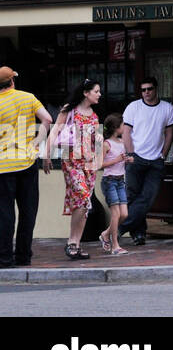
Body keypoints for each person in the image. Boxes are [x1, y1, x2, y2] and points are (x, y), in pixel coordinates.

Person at [0, 67, 52, 269]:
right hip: (26, 162)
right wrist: (37, 142)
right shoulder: (28, 98)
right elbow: (47, 119)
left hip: (3, 166)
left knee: (4, 213)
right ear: (12, 81)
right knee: (28, 211)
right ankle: (23, 257)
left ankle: (4, 258)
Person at [47, 79, 103, 260]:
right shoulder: (69, 110)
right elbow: (55, 130)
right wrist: (47, 154)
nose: (99, 94)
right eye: (96, 91)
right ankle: (72, 242)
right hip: (71, 162)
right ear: (86, 93)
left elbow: (96, 141)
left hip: (89, 164)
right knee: (83, 196)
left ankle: (75, 244)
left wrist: (99, 159)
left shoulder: (94, 116)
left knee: (84, 203)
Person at [121, 76, 173, 246]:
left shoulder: (167, 108)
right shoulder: (133, 107)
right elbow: (126, 132)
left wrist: (163, 154)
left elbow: (169, 133)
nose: (146, 93)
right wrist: (131, 154)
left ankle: (118, 229)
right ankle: (139, 234)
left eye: (149, 89)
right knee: (133, 197)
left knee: (148, 198)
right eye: (143, 90)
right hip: (135, 158)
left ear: (156, 89)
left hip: (155, 161)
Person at [99, 113, 129, 255]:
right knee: (116, 214)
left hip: (120, 181)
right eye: (122, 125)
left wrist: (126, 160)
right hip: (109, 181)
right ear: (117, 127)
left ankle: (105, 234)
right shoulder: (106, 144)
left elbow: (120, 159)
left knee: (124, 214)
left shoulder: (122, 142)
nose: (124, 127)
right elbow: (99, 164)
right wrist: (117, 160)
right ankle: (115, 245)